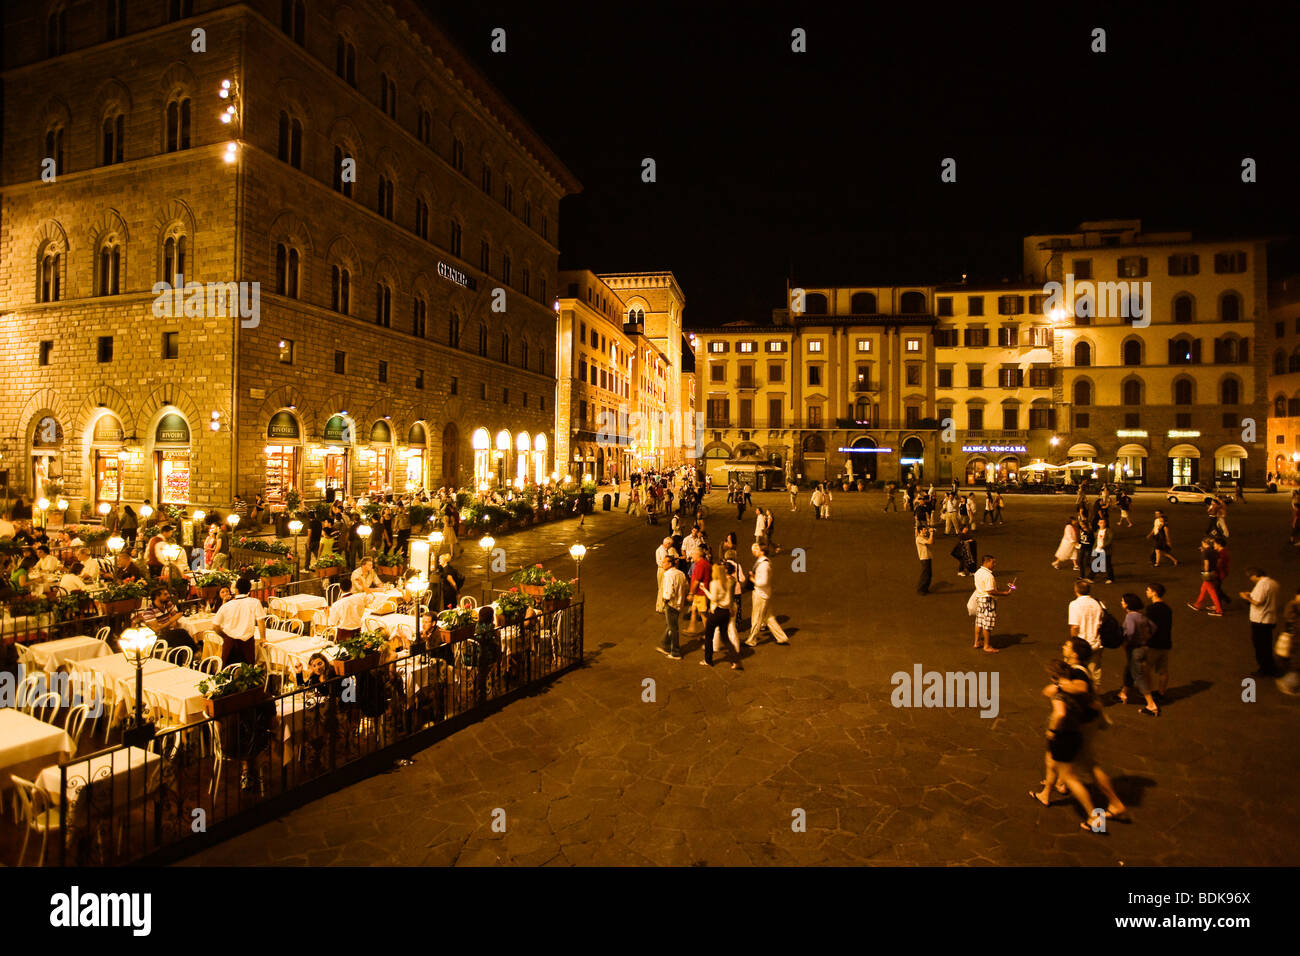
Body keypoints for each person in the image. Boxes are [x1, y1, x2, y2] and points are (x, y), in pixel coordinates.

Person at [1117, 593, 1159, 716]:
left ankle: (1151, 705)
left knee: (1139, 676)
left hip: (1135, 650)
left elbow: (1130, 632)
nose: (1121, 603)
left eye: (1123, 601)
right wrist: (1145, 637)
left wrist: (1125, 642)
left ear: (1127, 604)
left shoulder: (1130, 617)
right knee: (1129, 670)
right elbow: (1154, 628)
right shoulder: (1141, 615)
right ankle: (1123, 693)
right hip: (1145, 648)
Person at [211, 576, 267, 665]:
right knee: (247, 673)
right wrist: (263, 638)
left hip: (230, 643)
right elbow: (261, 621)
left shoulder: (226, 606)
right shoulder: (255, 602)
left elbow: (215, 626)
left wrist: (225, 636)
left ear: (236, 590)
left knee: (227, 672)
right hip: (247, 642)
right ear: (249, 590)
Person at [746, 542, 790, 647]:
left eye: (757, 549)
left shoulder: (764, 565)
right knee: (769, 618)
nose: (754, 551)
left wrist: (753, 579)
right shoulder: (765, 562)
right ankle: (781, 637)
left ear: (762, 552)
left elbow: (763, 581)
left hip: (761, 594)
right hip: (765, 594)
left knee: (756, 618)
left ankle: (751, 640)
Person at [1239, 567, 1280, 677]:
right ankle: (1270, 667)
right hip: (1270, 618)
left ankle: (1264, 669)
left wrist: (1246, 597)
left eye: (1251, 577)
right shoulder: (1273, 583)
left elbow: (1257, 602)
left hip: (1260, 620)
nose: (1251, 579)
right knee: (1267, 644)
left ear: (1255, 575)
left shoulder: (1262, 585)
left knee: (1260, 646)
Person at [134, 586, 197, 653]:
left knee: (181, 639)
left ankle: (191, 653)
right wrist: (170, 621)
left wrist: (172, 621)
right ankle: (195, 651)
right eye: (165, 594)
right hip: (157, 638)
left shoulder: (167, 604)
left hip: (168, 632)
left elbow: (176, 615)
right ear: (157, 597)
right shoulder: (149, 612)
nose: (168, 595)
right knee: (182, 633)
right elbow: (156, 629)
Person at [702, 562, 741, 669]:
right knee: (725, 637)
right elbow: (729, 598)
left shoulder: (715, 583)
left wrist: (704, 590)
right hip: (726, 612)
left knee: (708, 636)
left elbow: (713, 598)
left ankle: (708, 660)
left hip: (717, 611)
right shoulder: (729, 582)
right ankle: (735, 659)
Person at [971, 555, 1013, 654]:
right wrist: (1004, 593)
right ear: (987, 562)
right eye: (993, 562)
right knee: (987, 624)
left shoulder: (978, 572)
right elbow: (990, 591)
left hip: (980, 599)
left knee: (979, 621)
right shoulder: (989, 575)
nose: (994, 565)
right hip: (988, 601)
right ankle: (987, 645)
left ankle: (977, 641)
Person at [1068, 579, 1104, 689]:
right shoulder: (1098, 603)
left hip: (1081, 644)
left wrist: (1073, 642)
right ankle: (1094, 697)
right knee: (1094, 673)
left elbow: (1075, 626)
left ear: (1076, 590)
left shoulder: (1075, 604)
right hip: (1096, 642)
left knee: (1074, 671)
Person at [1143, 583, 1173, 702]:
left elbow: (1148, 627)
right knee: (1163, 671)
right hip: (1165, 642)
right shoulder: (1167, 608)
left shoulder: (1151, 609)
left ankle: (1148, 693)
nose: (1146, 591)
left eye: (1148, 590)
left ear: (1154, 592)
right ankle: (1161, 692)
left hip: (1153, 644)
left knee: (1146, 669)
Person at [658, 552, 687, 660]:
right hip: (680, 603)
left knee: (673, 628)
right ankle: (665, 644)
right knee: (671, 624)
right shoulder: (681, 573)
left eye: (664, 562)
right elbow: (686, 586)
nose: (662, 564)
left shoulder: (669, 576)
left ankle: (675, 652)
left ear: (670, 564)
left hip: (671, 604)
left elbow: (669, 592)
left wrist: (665, 600)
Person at [1186, 537, 1223, 616]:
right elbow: (1219, 561)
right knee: (1203, 589)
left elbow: (1206, 563)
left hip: (1208, 573)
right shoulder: (1215, 551)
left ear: (1205, 544)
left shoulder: (1205, 552)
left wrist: (1206, 572)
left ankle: (1219, 610)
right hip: (1214, 572)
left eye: (1202, 543)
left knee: (1212, 592)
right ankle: (1197, 605)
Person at [916, 524, 935, 595]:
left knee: (929, 574)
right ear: (920, 530)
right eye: (924, 529)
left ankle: (925, 588)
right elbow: (929, 542)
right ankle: (920, 589)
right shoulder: (919, 538)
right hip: (924, 558)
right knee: (925, 574)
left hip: (928, 557)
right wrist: (931, 533)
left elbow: (932, 542)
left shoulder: (924, 537)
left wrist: (931, 535)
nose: (926, 530)